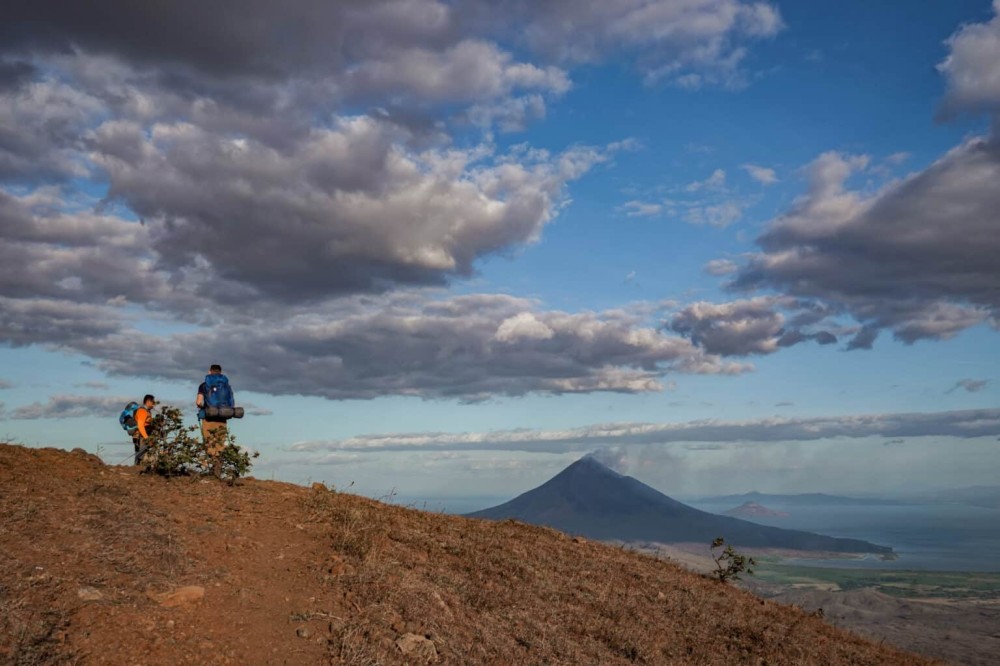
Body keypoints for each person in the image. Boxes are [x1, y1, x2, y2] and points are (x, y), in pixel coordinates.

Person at [196, 364, 233, 476]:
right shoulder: (227, 386)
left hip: (209, 417)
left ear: (209, 372)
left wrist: (202, 407)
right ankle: (218, 470)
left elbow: (198, 402)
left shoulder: (204, 385)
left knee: (209, 442)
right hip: (222, 417)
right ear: (220, 372)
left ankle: (211, 469)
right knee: (220, 443)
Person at [132, 394, 156, 465]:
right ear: (148, 402)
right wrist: (147, 438)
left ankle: (138, 467)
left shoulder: (147, 411)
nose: (154, 404)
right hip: (141, 436)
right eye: (153, 402)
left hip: (143, 435)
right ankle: (136, 468)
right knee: (140, 455)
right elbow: (140, 426)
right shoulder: (142, 411)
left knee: (142, 453)